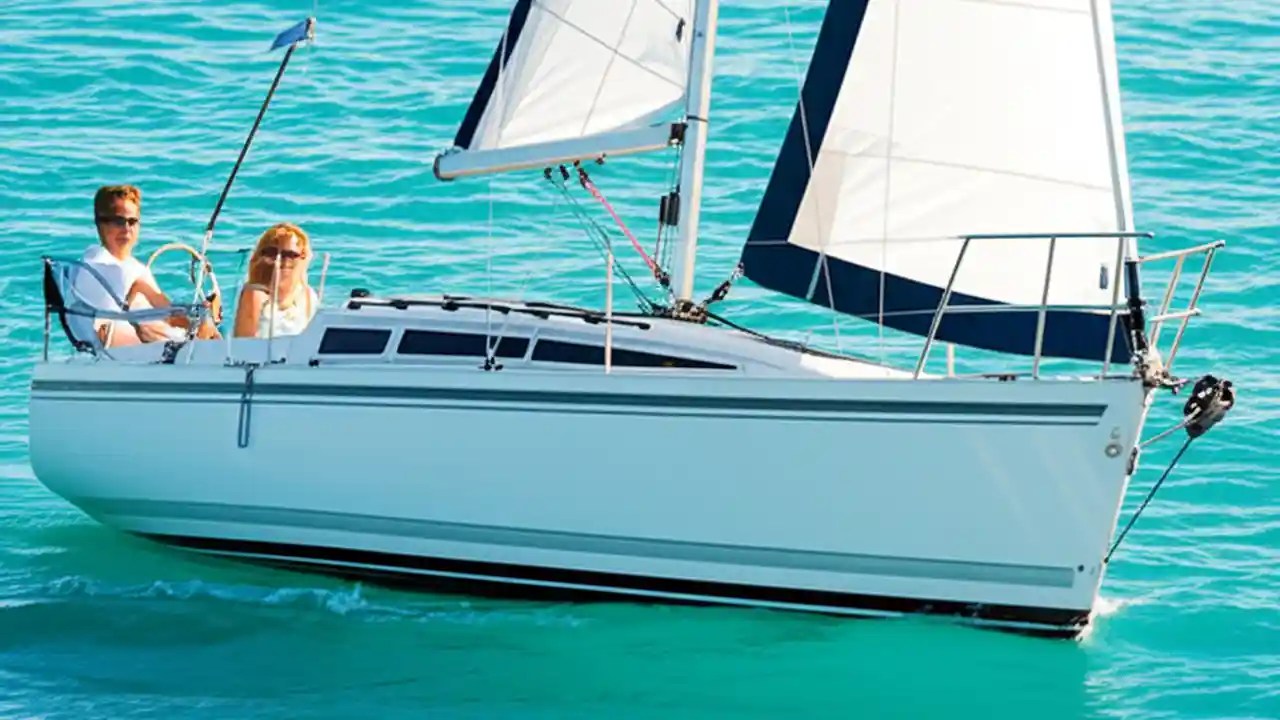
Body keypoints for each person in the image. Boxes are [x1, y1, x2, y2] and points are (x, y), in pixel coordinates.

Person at [72, 184, 220, 347]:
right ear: (100, 223)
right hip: (119, 348)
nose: (126, 229)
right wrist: (203, 318)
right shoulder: (123, 271)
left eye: (132, 221)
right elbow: (171, 315)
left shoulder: (89, 258)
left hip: (105, 343)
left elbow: (165, 315)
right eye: (118, 221)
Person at [233, 222, 318, 338]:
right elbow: (243, 345)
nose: (280, 259)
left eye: (290, 254)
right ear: (260, 256)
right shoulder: (255, 295)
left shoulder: (307, 296)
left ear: (303, 257)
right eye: (271, 252)